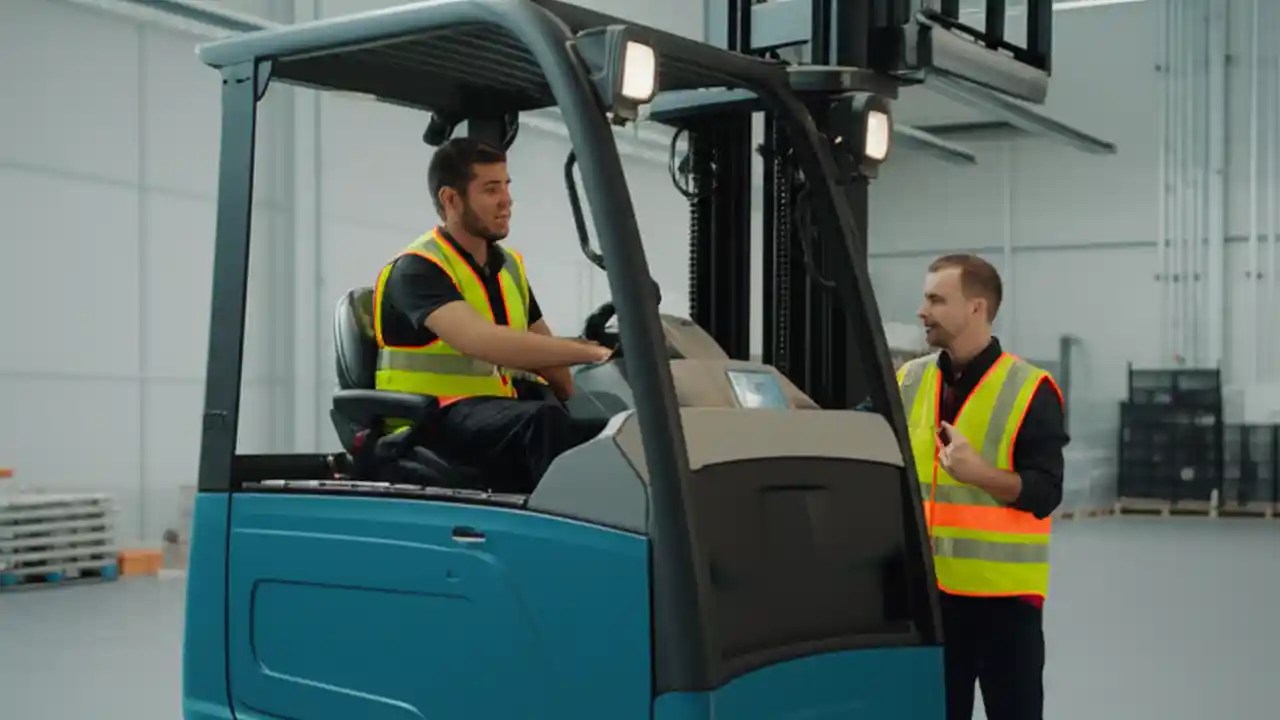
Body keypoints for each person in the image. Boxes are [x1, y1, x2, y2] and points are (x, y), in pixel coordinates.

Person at [372, 137, 612, 493]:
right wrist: (590, 352)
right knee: (542, 423)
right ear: (451, 199)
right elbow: (480, 341)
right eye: (490, 189)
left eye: (506, 186)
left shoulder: (509, 267)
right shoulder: (418, 269)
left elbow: (548, 359)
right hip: (430, 420)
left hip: (493, 414)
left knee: (613, 433)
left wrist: (586, 394)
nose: (506, 200)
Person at [896, 254, 1069, 720]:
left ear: (976, 308)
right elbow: (858, 433)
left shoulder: (1031, 389)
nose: (922, 310)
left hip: (1003, 604)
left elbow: (1044, 492)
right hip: (929, 599)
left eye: (936, 299)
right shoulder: (909, 380)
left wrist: (979, 474)